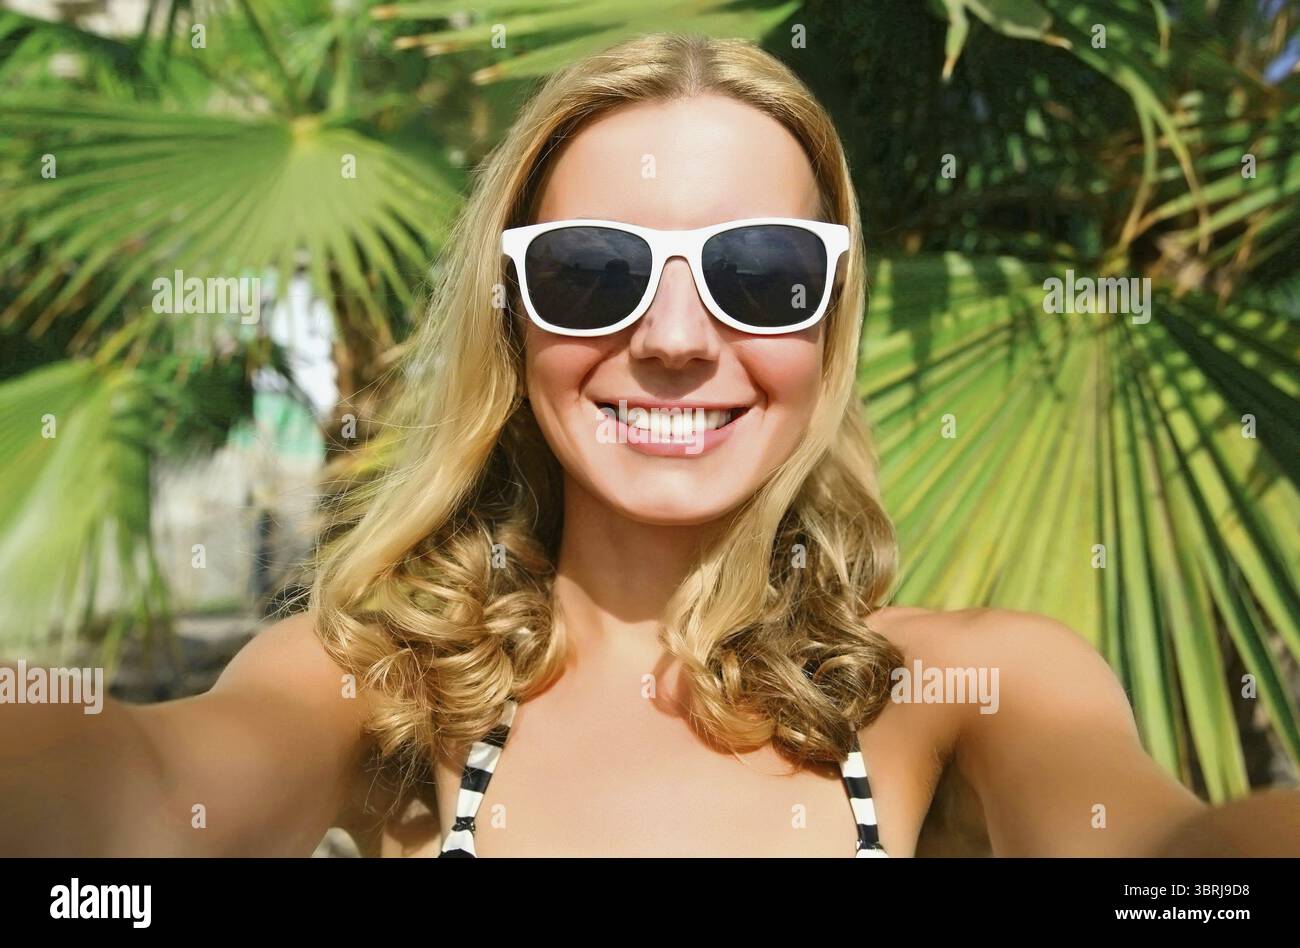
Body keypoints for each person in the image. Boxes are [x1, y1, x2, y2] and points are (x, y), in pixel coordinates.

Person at [2, 33, 1296, 858]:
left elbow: (1176, 860)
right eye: (593, 272)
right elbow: (136, 795)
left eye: (762, 273)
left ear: (831, 319)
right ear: (511, 324)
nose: (676, 337)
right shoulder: (378, 688)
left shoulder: (968, 691)